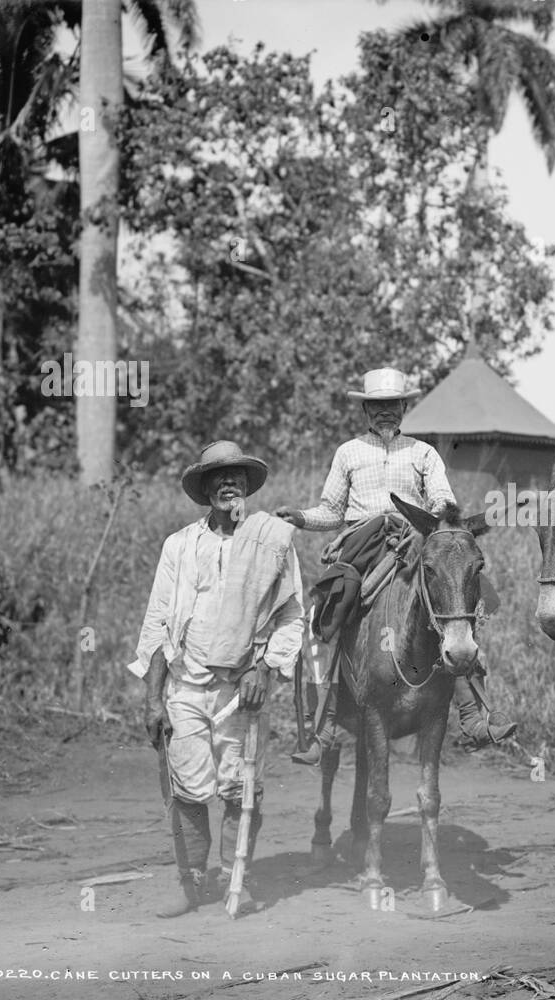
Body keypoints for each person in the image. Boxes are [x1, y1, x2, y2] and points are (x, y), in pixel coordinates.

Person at [276, 366, 516, 765]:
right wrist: (300, 518)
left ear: (405, 407)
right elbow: (332, 510)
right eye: (377, 406)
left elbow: (441, 500)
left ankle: (473, 714)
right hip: (360, 543)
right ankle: (326, 722)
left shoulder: (423, 453)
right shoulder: (348, 452)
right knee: (325, 614)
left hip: (413, 540)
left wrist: (433, 522)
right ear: (366, 410)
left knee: (458, 596)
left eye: (393, 406)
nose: (385, 412)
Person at [129, 440, 305, 917]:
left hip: (239, 689)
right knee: (186, 788)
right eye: (219, 477)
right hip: (184, 685)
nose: (230, 483)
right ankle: (190, 885)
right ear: (205, 488)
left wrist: (265, 668)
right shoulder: (180, 545)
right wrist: (152, 698)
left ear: (248, 485)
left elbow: (292, 618)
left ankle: (234, 878)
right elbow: (157, 623)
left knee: (240, 787)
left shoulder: (274, 543)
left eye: (238, 476)